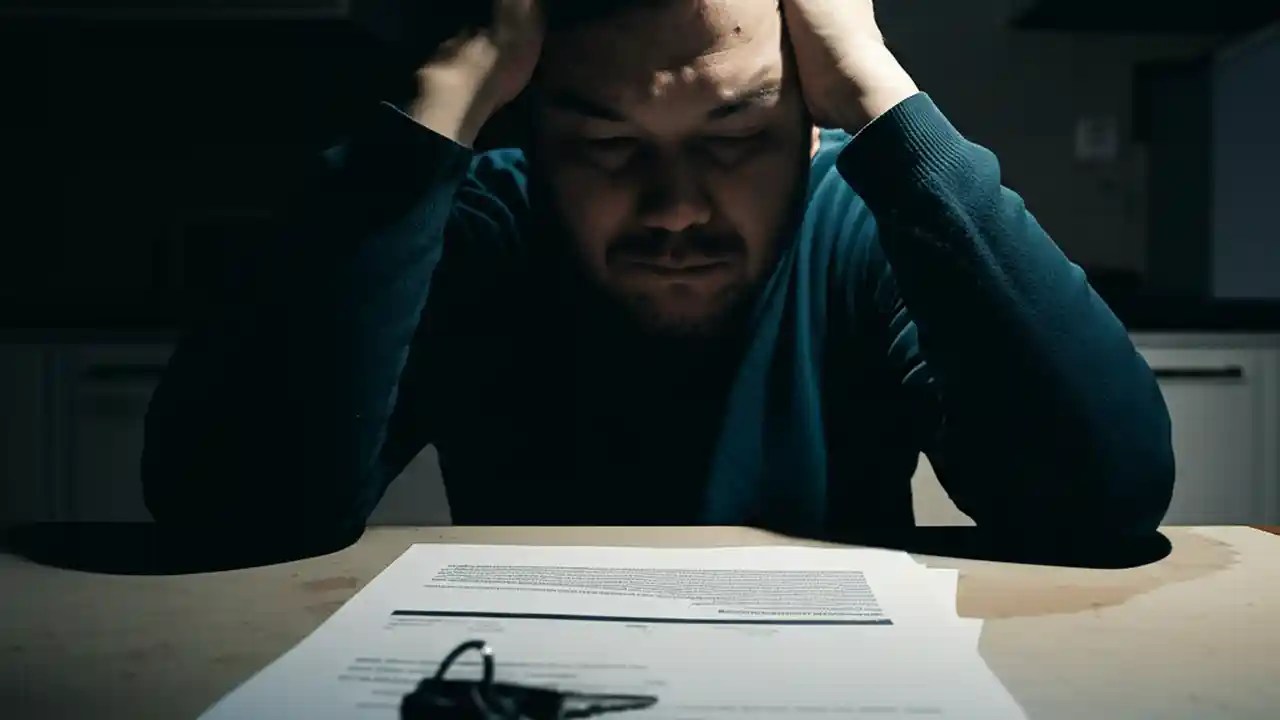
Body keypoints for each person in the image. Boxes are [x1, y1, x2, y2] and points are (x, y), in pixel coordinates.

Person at [140, 0, 1174, 546]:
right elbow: (228, 506)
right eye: (603, 143)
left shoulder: (859, 226)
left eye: (732, 134)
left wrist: (876, 91)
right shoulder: (489, 226)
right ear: (529, 132)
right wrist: (438, 99)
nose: (673, 205)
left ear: (802, 128)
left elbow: (1105, 499)